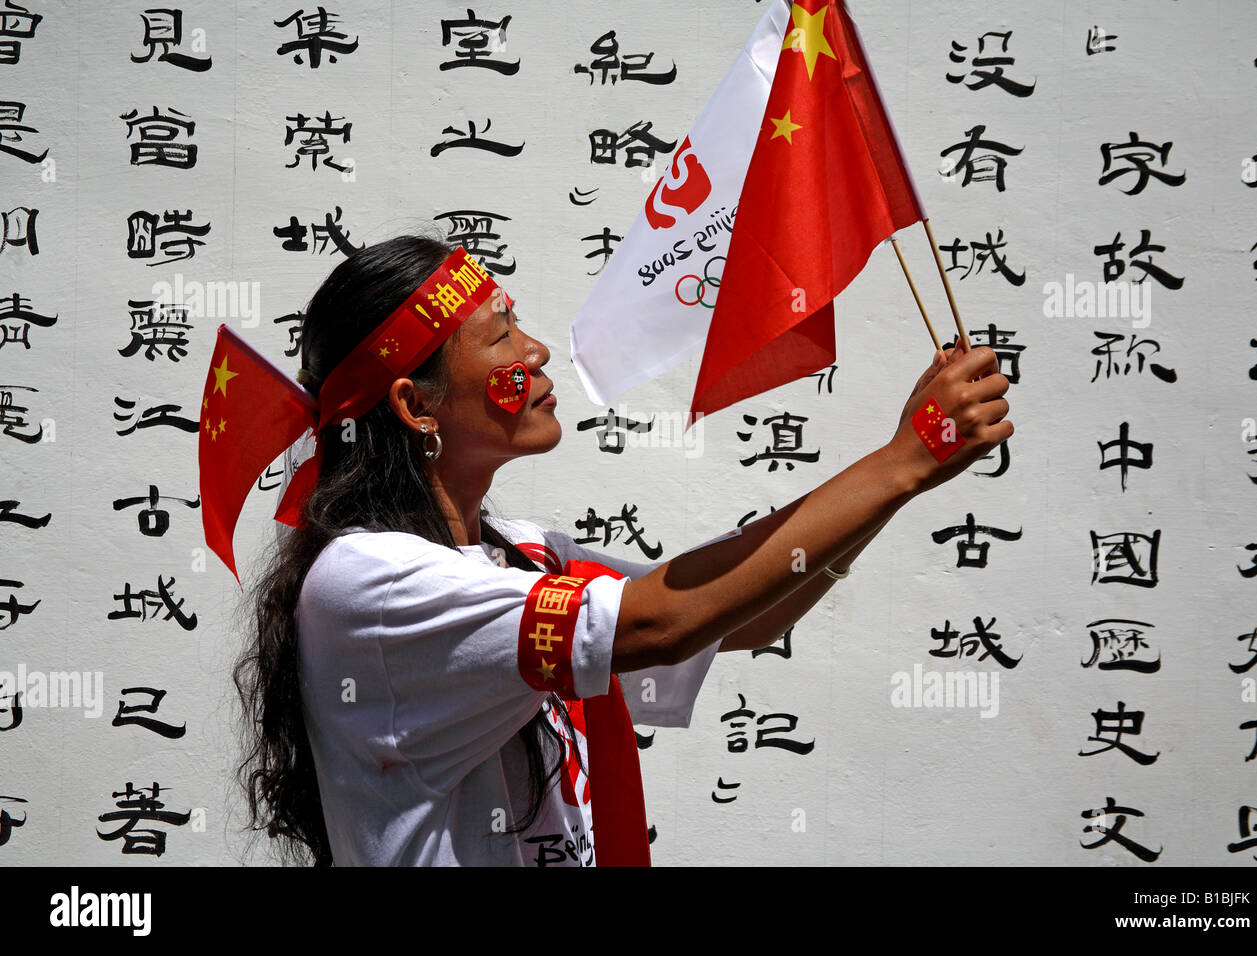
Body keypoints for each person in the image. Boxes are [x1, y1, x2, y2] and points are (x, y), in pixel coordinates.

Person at [233, 234, 1012, 867]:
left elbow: (735, 620)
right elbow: (654, 624)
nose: (535, 351)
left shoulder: (529, 558)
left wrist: (905, 474)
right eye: (501, 334)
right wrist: (906, 457)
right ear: (415, 404)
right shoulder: (370, 584)